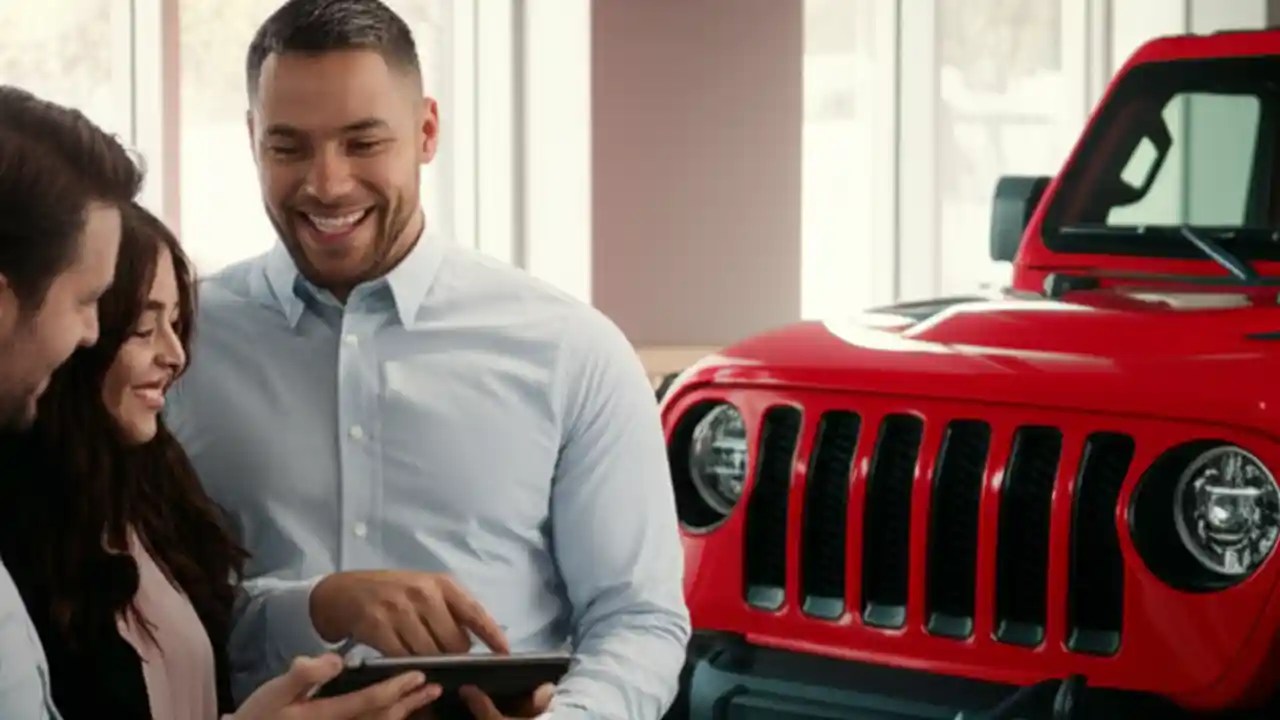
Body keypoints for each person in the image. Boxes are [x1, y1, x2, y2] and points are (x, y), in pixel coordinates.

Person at [163, 0, 692, 717]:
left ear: (426, 132)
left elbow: (638, 620)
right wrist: (316, 606)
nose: (326, 183)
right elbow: (140, 605)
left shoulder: (573, 350)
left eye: (362, 143)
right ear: (254, 141)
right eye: (289, 148)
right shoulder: (175, 346)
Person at [0, 86, 439, 720]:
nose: (175, 356)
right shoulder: (25, 517)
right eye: (121, 317)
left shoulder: (148, 491)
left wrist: (324, 608)